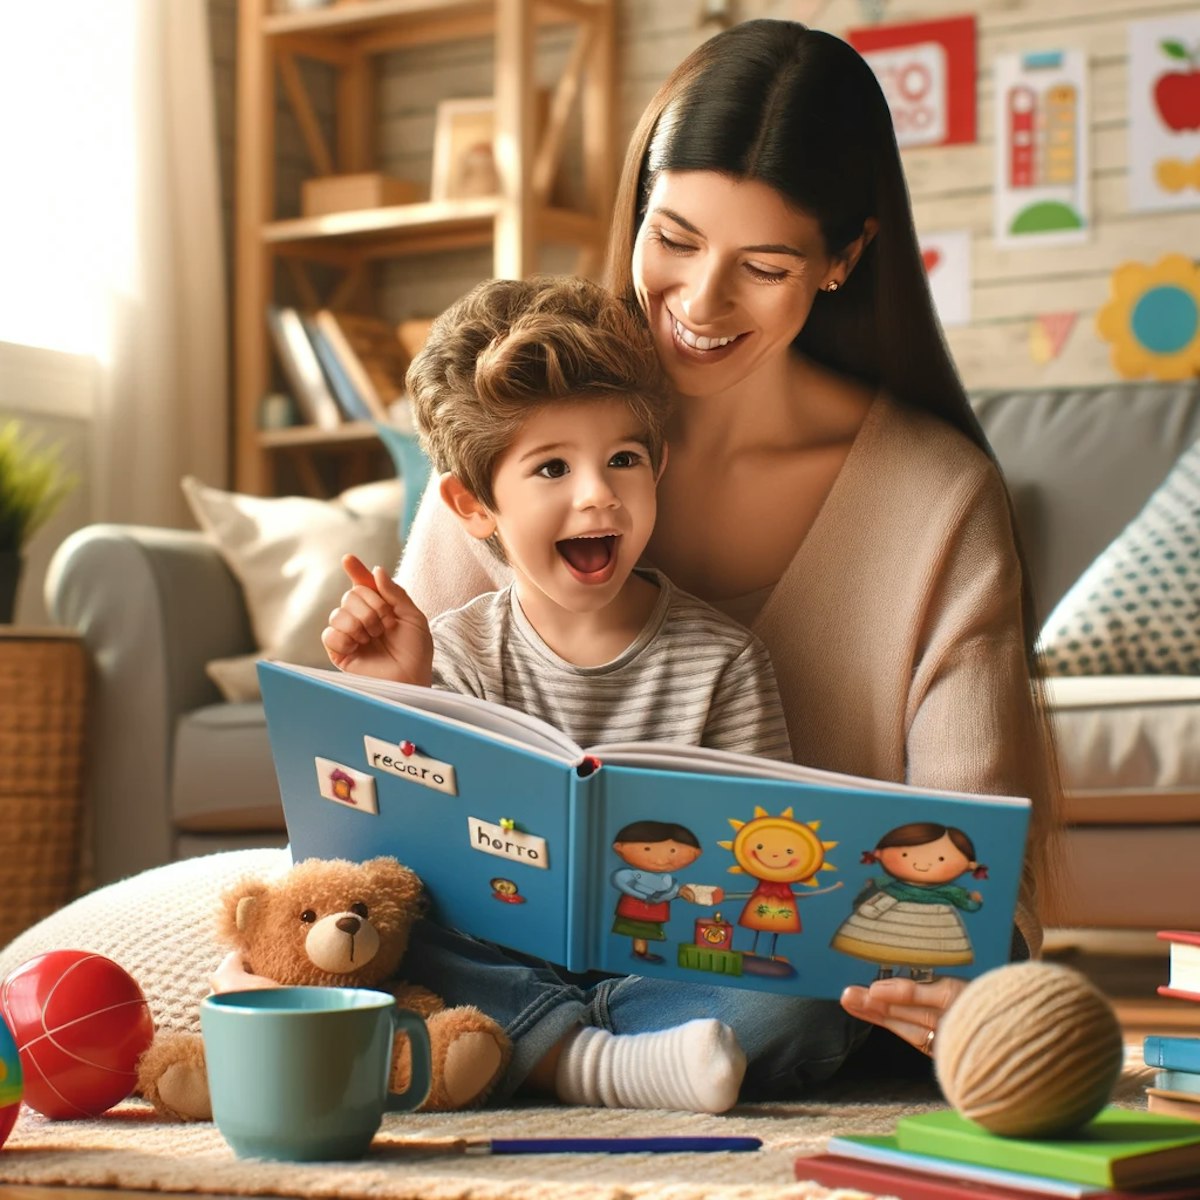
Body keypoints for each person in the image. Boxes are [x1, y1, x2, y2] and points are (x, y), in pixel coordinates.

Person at [394, 17, 1062, 1102]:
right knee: (345, 921)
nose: (699, 304)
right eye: (674, 239)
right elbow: (401, 757)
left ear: (843, 260)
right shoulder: (526, 421)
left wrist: (957, 974)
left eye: (763, 264)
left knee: (805, 1001)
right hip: (509, 939)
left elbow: (978, 857)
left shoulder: (936, 498)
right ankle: (572, 1049)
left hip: (740, 972)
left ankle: (559, 1053)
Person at [323, 273, 794, 1114]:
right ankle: (601, 1062)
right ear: (473, 505)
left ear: (660, 468)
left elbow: (764, 869)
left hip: (672, 967)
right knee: (379, 939)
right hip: (501, 955)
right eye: (551, 467)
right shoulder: (457, 652)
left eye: (624, 459)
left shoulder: (725, 660)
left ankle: (542, 1051)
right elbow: (401, 869)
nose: (598, 493)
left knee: (801, 1003)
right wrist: (401, 697)